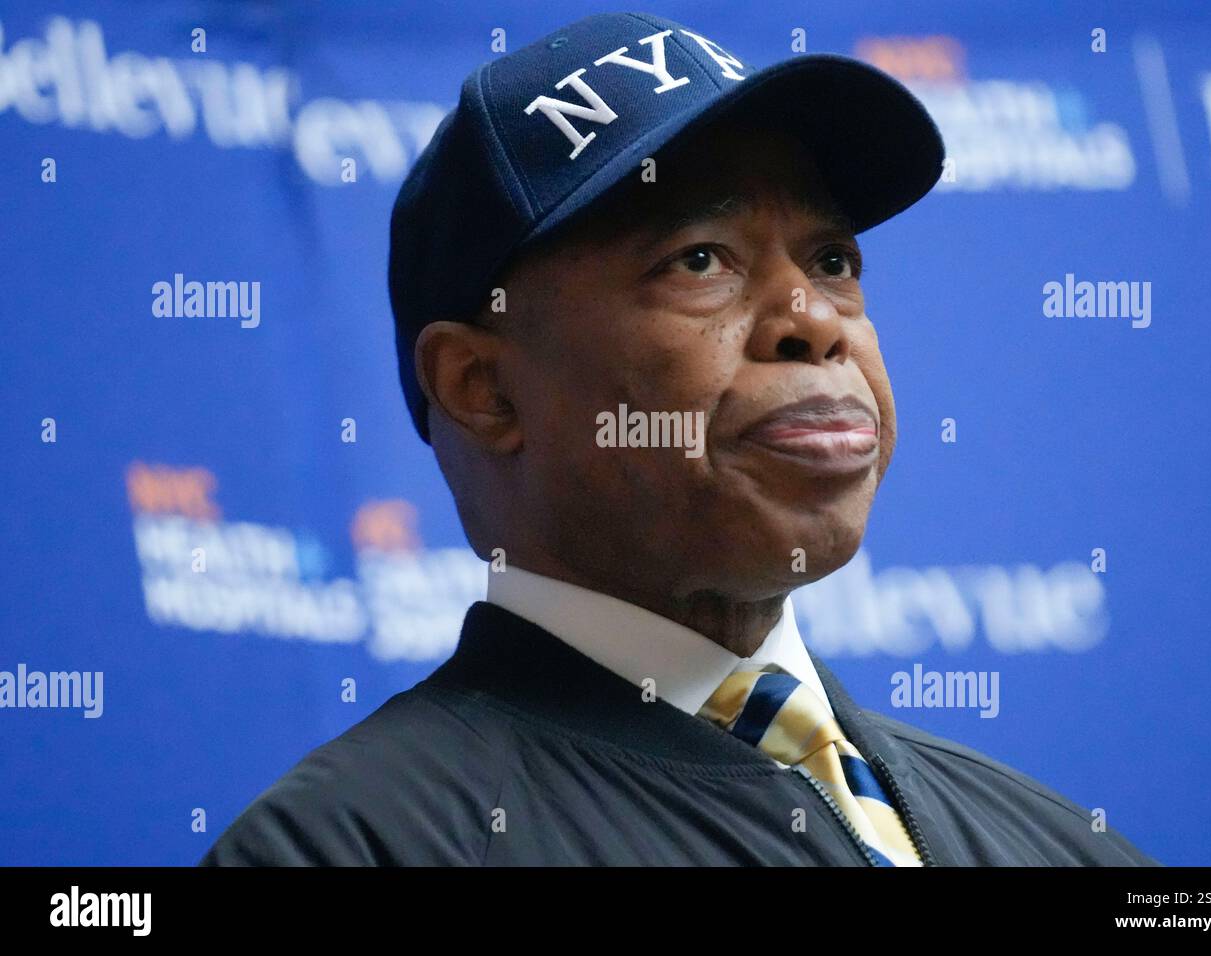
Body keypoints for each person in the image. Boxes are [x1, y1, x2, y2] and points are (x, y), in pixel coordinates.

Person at [200, 12, 1157, 866]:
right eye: (700, 259)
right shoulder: (352, 847)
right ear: (482, 387)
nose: (811, 319)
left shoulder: (1071, 846)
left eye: (832, 261)